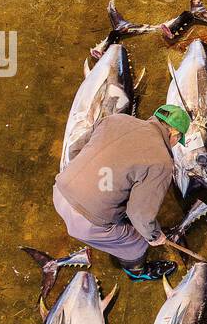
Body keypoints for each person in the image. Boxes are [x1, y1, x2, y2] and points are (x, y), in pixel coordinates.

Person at [53, 106, 190, 281]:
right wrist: (154, 236)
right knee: (137, 240)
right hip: (87, 222)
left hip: (60, 191)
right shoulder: (162, 162)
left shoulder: (115, 119)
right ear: (174, 134)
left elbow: (74, 150)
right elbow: (139, 214)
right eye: (178, 140)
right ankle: (136, 272)